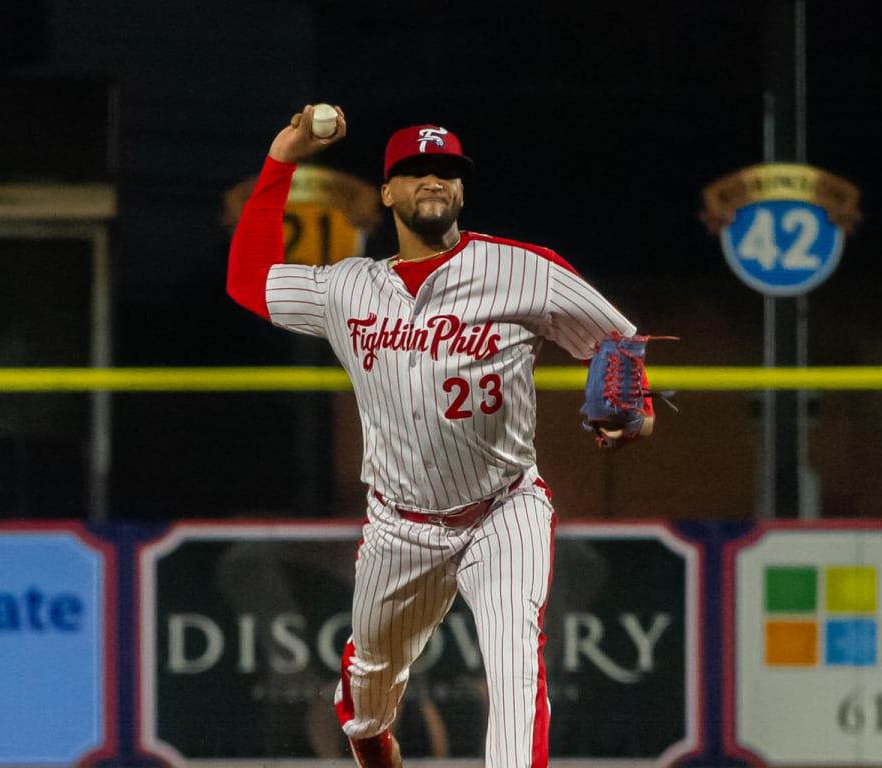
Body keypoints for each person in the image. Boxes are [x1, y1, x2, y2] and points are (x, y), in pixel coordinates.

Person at [225, 105, 654, 768]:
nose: (433, 180)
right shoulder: (349, 288)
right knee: (369, 679)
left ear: (461, 190)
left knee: (514, 659)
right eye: (416, 170)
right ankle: (370, 733)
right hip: (401, 525)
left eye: (446, 171)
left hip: (503, 510)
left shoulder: (523, 270)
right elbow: (248, 281)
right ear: (388, 192)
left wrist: (636, 409)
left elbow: (618, 340)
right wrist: (282, 157)